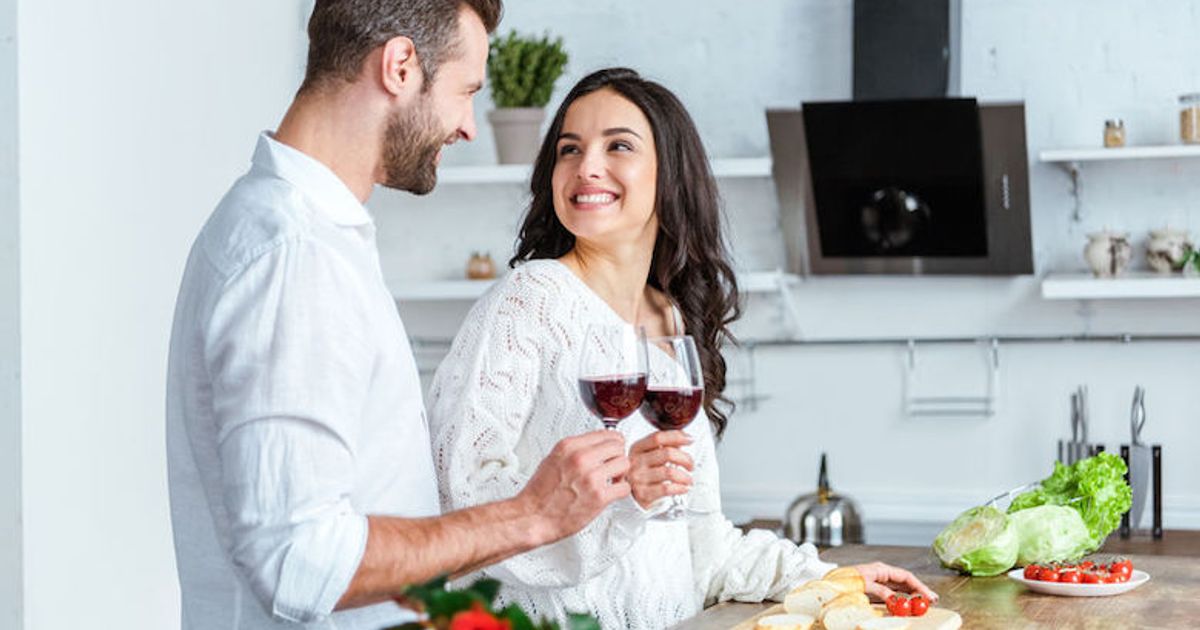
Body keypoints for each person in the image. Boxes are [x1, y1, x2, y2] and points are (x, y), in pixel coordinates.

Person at [165, 2, 635, 628]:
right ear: (400, 65)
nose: (468, 126)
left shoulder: (312, 236)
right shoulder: (295, 255)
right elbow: (300, 559)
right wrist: (533, 515)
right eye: (465, 91)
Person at [427, 67, 938, 628]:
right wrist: (621, 499)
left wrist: (829, 577)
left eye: (618, 145)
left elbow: (700, 543)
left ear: (669, 174)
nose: (586, 166)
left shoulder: (668, 317)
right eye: (568, 149)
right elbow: (463, 501)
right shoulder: (529, 300)